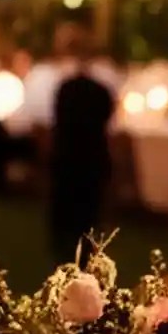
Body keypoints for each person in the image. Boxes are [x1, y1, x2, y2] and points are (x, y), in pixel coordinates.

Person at [47, 21, 117, 262]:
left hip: (68, 156)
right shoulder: (100, 89)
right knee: (88, 208)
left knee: (67, 203)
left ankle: (62, 243)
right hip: (91, 157)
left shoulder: (65, 88)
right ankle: (85, 246)